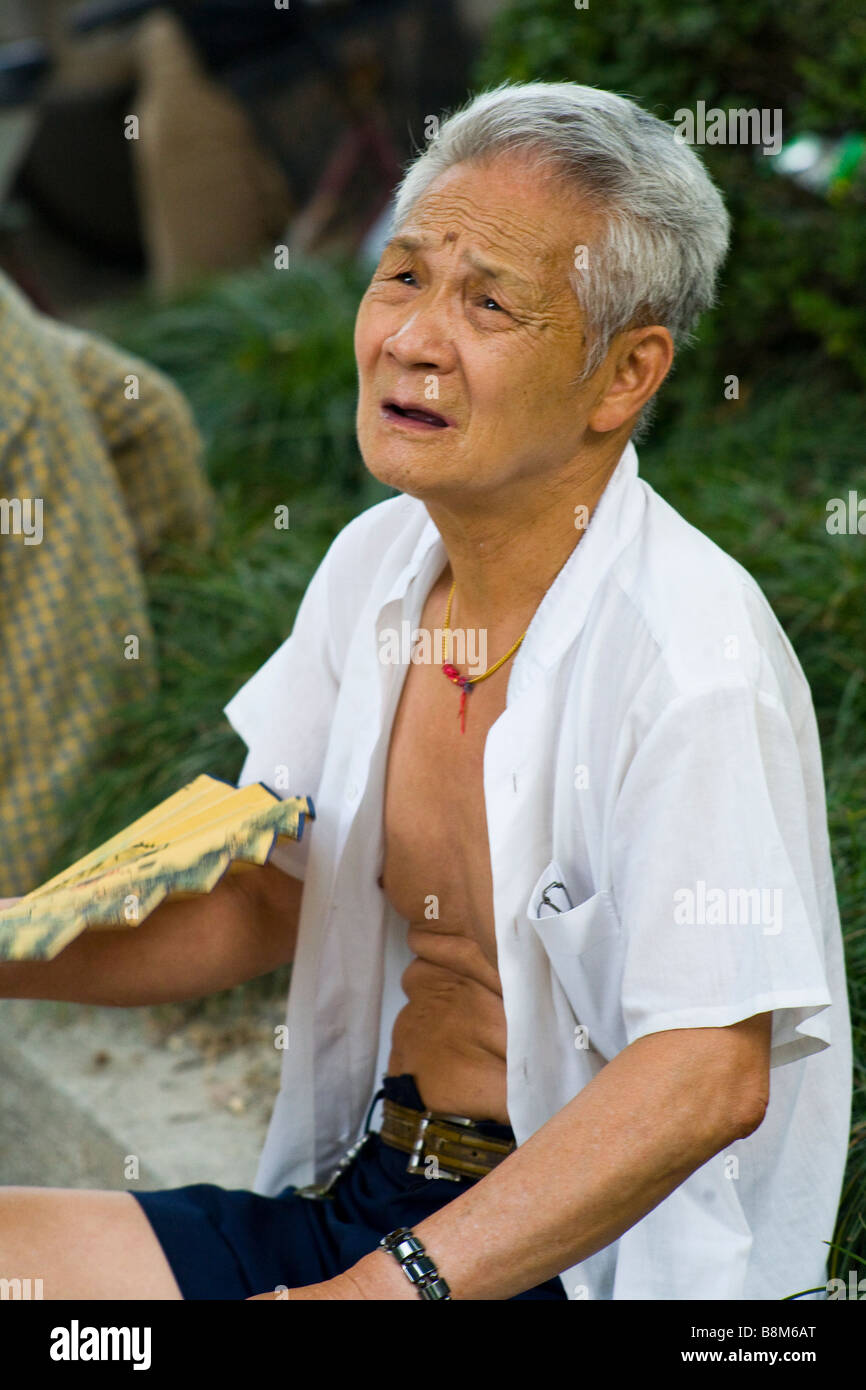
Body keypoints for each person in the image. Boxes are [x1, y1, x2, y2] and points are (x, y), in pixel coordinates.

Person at [0, 80, 851, 1301]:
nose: (409, 336)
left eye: (487, 301)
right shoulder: (376, 567)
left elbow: (706, 1074)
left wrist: (381, 1294)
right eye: (402, 276)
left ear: (624, 375)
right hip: (381, 1195)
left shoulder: (686, 653)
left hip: (584, 1264)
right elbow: (255, 899)